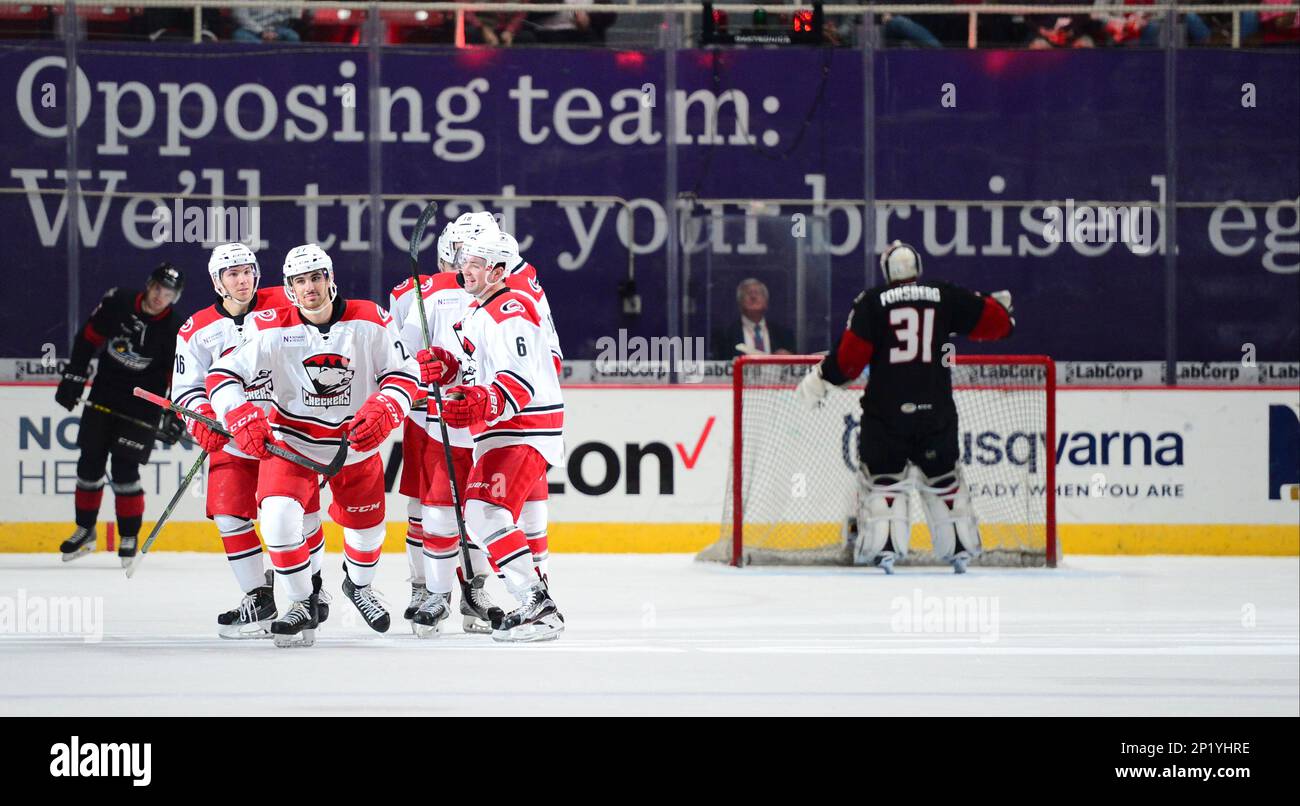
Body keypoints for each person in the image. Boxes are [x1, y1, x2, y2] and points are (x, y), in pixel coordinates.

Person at [206, 244, 420, 647]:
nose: (310, 287)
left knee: (366, 529)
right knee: (277, 518)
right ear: (288, 288)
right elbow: (222, 376)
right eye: (300, 281)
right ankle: (303, 602)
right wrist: (239, 415)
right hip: (292, 445)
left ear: (331, 279)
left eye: (317, 277)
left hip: (354, 442)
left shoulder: (372, 319)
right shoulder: (268, 326)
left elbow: (405, 373)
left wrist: (387, 408)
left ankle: (358, 587)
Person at [797, 241, 1015, 574]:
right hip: (936, 410)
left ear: (887, 272)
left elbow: (849, 361)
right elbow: (995, 323)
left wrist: (821, 377)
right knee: (943, 479)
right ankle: (959, 550)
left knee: (885, 480)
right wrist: (999, 310)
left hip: (886, 413)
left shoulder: (872, 303)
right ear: (918, 267)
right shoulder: (942, 295)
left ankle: (885, 550)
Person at [172, 243, 332, 639]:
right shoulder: (196, 330)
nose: (241, 280)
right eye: (232, 274)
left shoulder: (286, 303)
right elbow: (185, 389)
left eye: (246, 271)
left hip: (287, 433)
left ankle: (311, 589)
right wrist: (204, 420)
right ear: (216, 281)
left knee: (299, 517)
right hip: (233, 440)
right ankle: (259, 597)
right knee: (229, 516)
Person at [422, 229, 566, 642]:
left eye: (475, 264)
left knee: (485, 512)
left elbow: (519, 381)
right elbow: (479, 372)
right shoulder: (478, 311)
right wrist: (448, 368)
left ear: (499, 270)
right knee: (483, 514)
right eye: (463, 261)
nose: (463, 270)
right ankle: (535, 601)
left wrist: (483, 401)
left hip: (524, 428)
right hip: (503, 429)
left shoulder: (511, 310)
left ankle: (538, 606)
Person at [56, 264, 186, 565]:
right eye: (157, 289)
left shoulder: (174, 329)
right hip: (104, 394)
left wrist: (176, 414)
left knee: (126, 470)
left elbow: (177, 377)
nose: (159, 297)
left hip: (142, 406)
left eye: (167, 294)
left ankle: (129, 535)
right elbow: (88, 337)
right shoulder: (118, 302)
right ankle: (85, 530)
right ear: (148, 284)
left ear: (174, 298)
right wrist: (74, 377)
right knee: (89, 464)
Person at [710, 278, 794, 360]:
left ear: (766, 303)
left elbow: (798, 369)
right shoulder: (725, 335)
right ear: (740, 303)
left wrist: (791, 359)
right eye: (748, 293)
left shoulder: (784, 334)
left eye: (758, 293)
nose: (753, 297)